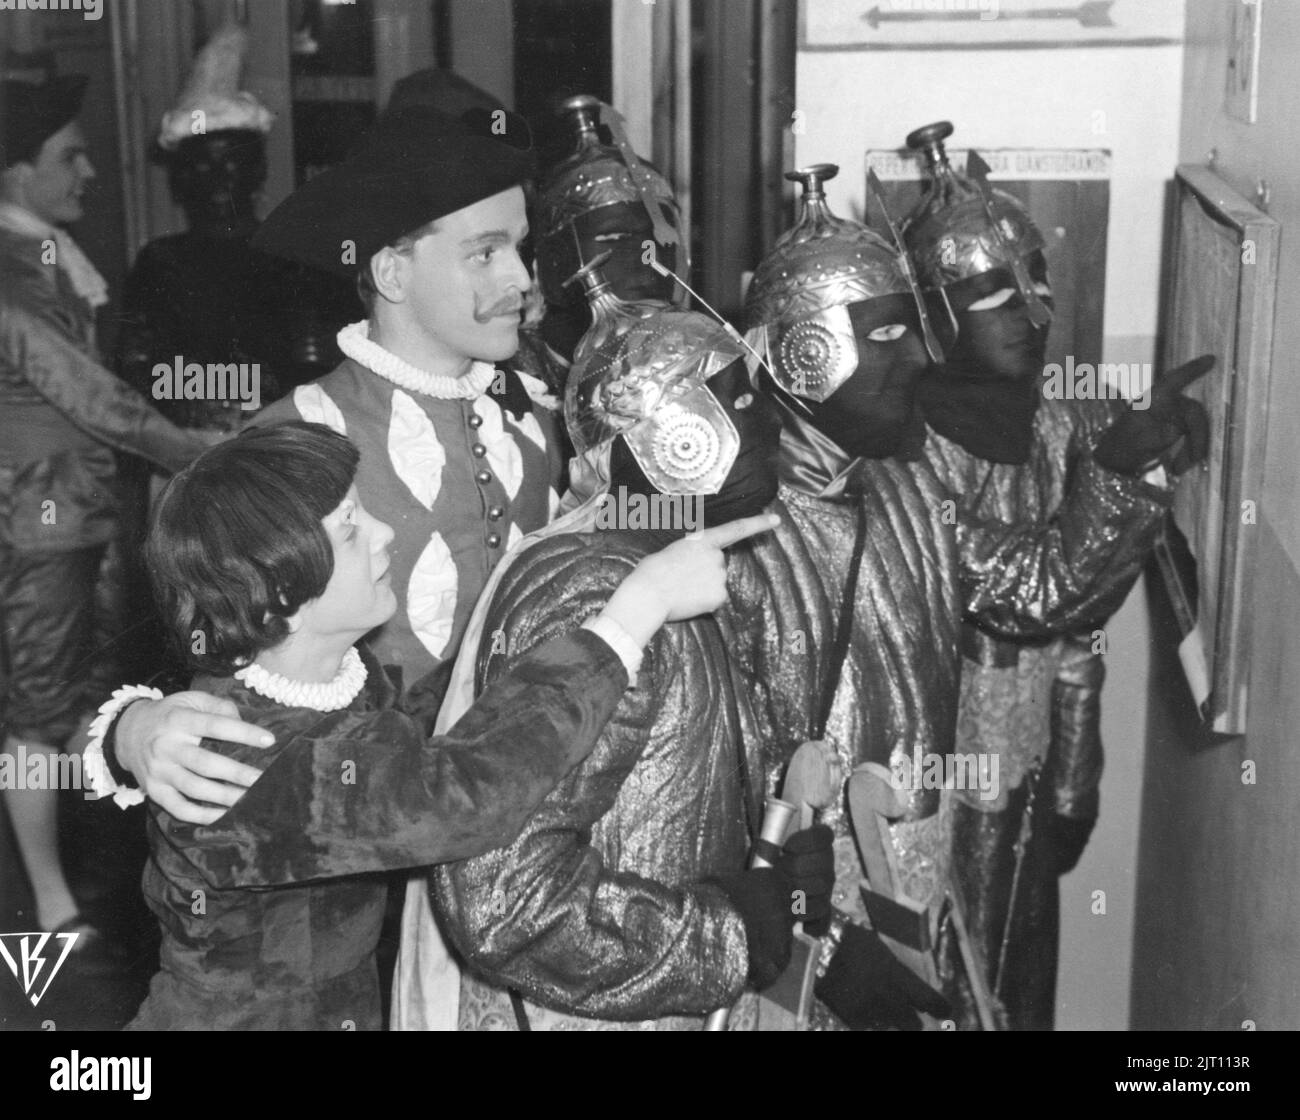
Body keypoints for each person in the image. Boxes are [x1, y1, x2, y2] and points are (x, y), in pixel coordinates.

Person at [92, 420, 762, 1030]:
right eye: (351, 527)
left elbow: (425, 728)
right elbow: (459, 795)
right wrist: (632, 615)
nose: (383, 532)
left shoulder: (341, 681)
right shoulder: (251, 753)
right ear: (282, 600)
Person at [739, 163, 1210, 1030]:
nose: (920, 357)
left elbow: (1039, 590)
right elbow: (721, 792)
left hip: (918, 878)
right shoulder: (737, 534)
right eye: (888, 335)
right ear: (804, 354)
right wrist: (825, 942)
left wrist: (1124, 470)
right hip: (796, 938)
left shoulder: (908, 492)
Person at [429, 263, 833, 1030]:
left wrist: (785, 887)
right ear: (675, 438)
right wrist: (722, 937)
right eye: (743, 400)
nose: (775, 422)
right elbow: (501, 893)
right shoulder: (593, 593)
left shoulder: (674, 569)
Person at [901, 121, 1208, 1029]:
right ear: (931, 313)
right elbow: (1031, 590)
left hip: (1028, 789)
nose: (1035, 313)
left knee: (1024, 995)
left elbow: (1079, 638)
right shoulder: (900, 460)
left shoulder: (1060, 414)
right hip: (926, 799)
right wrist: (1120, 474)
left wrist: (1075, 781)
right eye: (995, 293)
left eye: (1038, 280)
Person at [0, 66, 214, 950]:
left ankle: (79, 875)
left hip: (74, 515)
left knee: (75, 694)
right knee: (36, 708)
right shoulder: (12, 281)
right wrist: (210, 452)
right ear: (16, 172)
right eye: (70, 156)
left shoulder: (38, 259)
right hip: (33, 524)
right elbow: (100, 402)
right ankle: (48, 898)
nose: (87, 173)